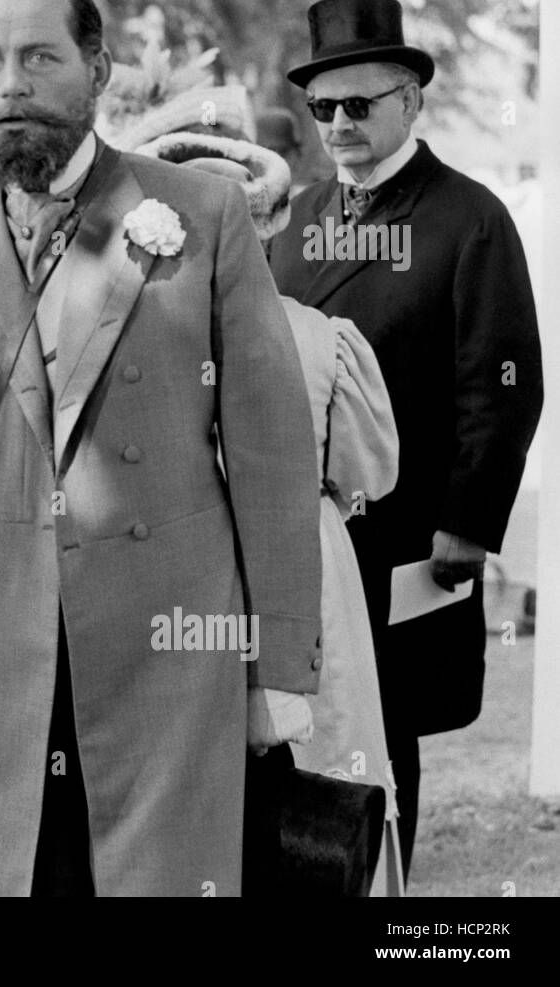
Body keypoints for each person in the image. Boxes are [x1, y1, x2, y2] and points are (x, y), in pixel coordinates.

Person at [0, 0, 323, 897]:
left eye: (39, 57)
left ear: (97, 69)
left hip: (169, 644)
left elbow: (271, 449)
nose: (10, 84)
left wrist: (280, 663)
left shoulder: (200, 212)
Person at [270, 0, 544, 880]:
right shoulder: (296, 218)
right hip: (299, 536)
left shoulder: (471, 217)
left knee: (385, 731)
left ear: (410, 103)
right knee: (295, 725)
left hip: (406, 531)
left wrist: (467, 528)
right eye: (323, 108)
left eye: (360, 104)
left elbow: (503, 386)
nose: (339, 124)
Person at [141, 119, 404, 894]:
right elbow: (370, 472)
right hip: (304, 554)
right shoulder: (318, 335)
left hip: (171, 558)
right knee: (320, 760)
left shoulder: (127, 339)